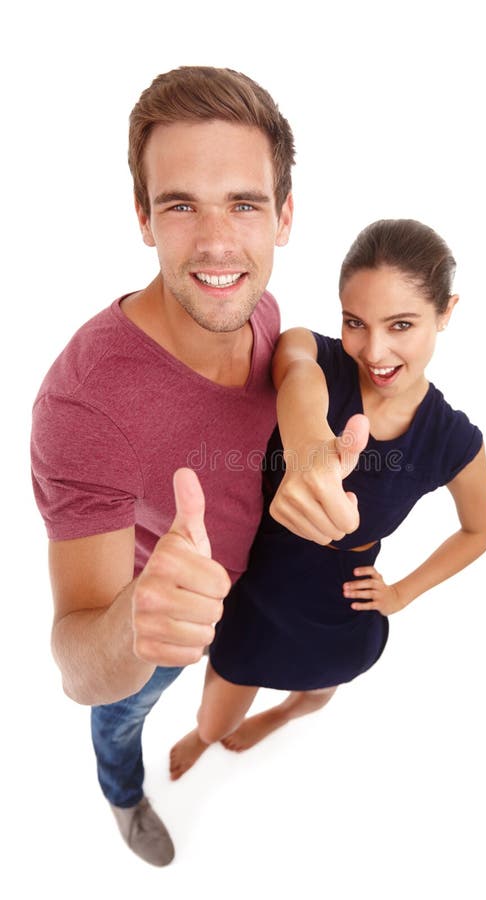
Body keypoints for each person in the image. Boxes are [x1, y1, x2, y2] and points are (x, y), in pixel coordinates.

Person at [30, 65, 308, 867]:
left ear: (284, 216)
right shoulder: (84, 402)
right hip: (157, 627)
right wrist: (136, 626)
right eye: (182, 205)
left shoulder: (260, 308)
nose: (218, 243)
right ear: (144, 218)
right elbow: (78, 666)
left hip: (250, 588)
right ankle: (122, 794)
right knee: (119, 717)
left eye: (244, 204)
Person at [168, 218, 486, 778]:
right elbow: (296, 369)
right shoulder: (310, 353)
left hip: (339, 605)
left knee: (318, 690)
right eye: (355, 322)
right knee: (213, 721)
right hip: (257, 580)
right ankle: (206, 739)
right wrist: (307, 446)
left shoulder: (454, 440)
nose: (374, 350)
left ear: (446, 312)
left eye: (401, 324)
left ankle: (284, 714)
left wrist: (402, 592)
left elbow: (481, 530)